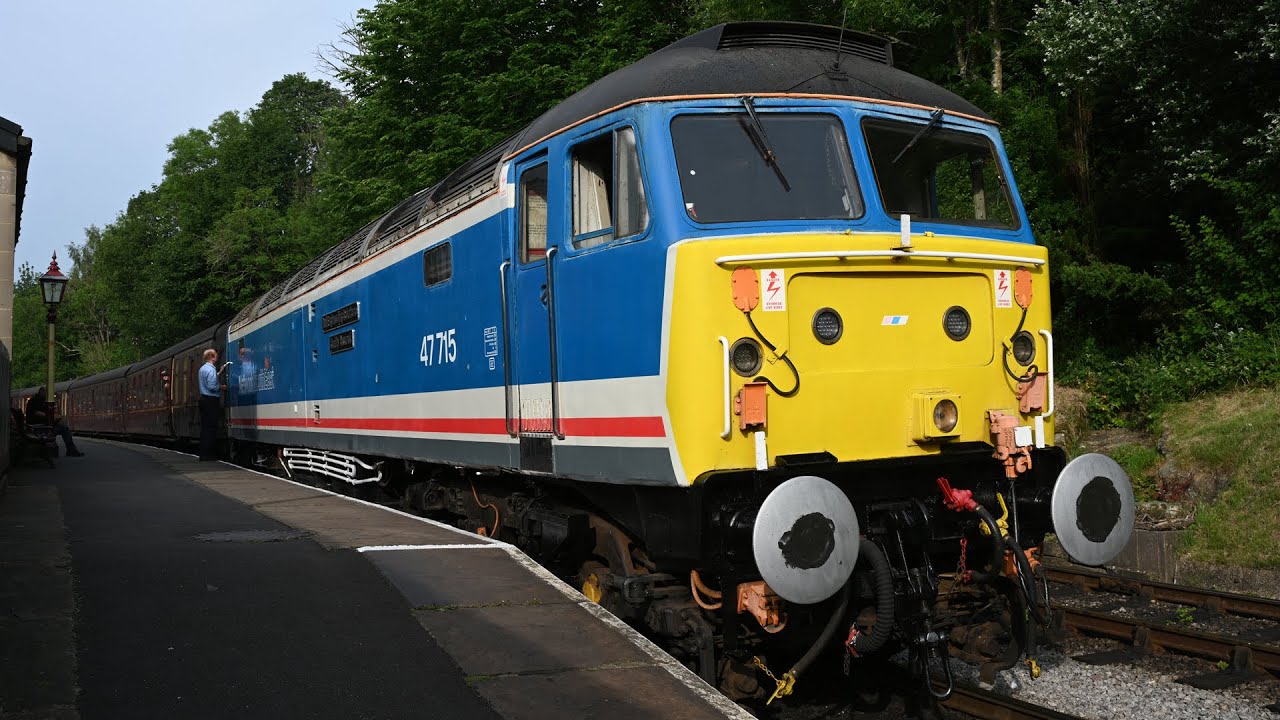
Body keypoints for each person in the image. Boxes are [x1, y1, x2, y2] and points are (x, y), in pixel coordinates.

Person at [26, 387, 84, 457]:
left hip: (39, 427)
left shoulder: (36, 400)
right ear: (41, 392)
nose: (47, 395)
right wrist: (51, 417)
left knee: (63, 427)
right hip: (39, 428)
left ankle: (71, 450)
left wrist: (54, 417)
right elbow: (37, 413)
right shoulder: (34, 401)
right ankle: (71, 450)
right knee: (65, 429)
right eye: (46, 393)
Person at [198, 348, 228, 461]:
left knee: (205, 428)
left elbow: (209, 380)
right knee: (211, 428)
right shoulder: (210, 370)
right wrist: (222, 387)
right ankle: (209, 455)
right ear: (211, 357)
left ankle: (204, 454)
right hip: (211, 400)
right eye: (215, 355)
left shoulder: (203, 369)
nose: (217, 356)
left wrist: (219, 372)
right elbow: (212, 386)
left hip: (204, 400)